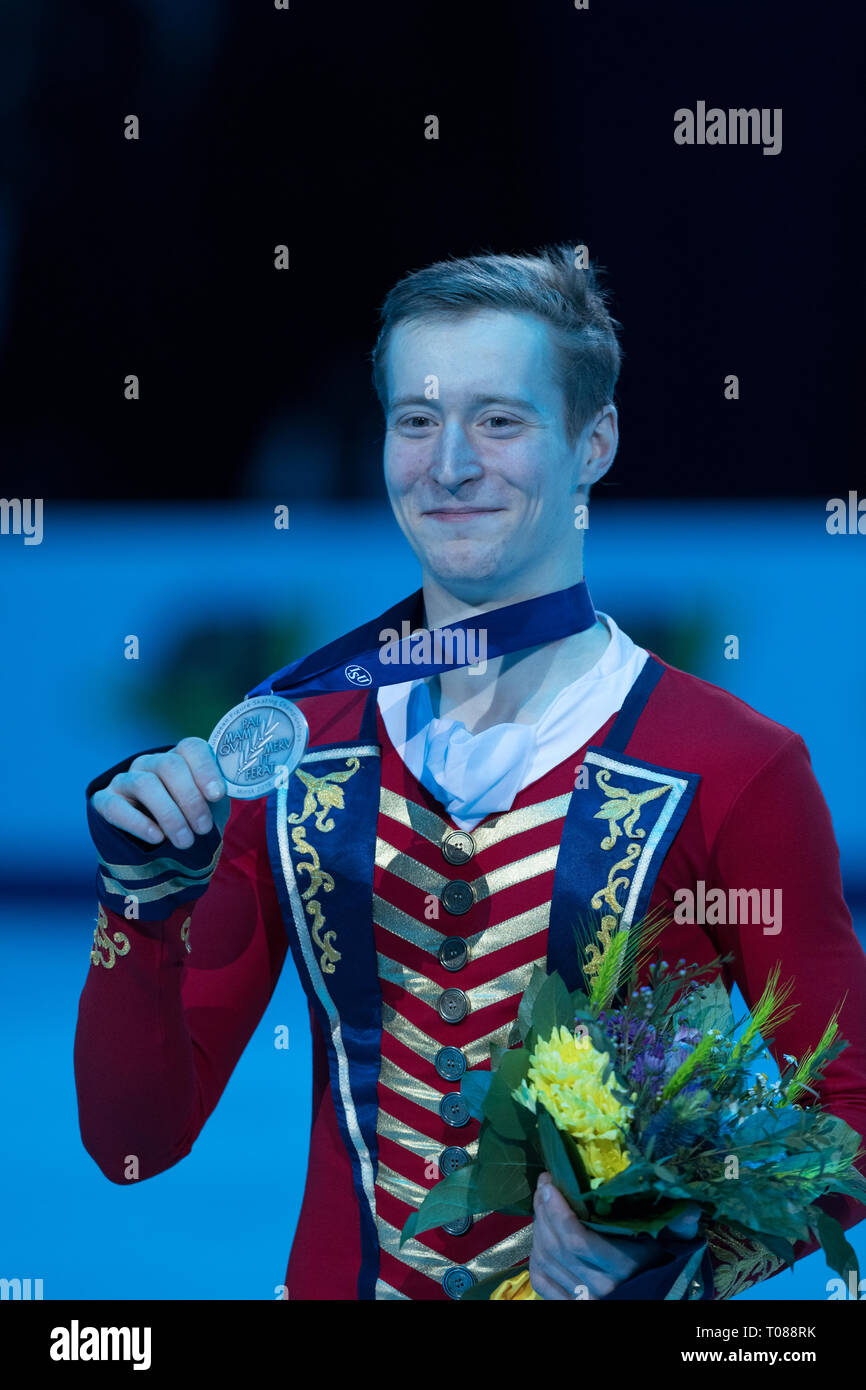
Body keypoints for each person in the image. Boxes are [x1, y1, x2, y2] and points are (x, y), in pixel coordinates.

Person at [75, 244, 866, 1301]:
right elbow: (135, 1142)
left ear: (594, 441)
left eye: (498, 421)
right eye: (415, 420)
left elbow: (850, 1112)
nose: (448, 464)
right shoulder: (293, 749)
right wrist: (141, 907)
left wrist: (692, 1254)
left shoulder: (731, 763)